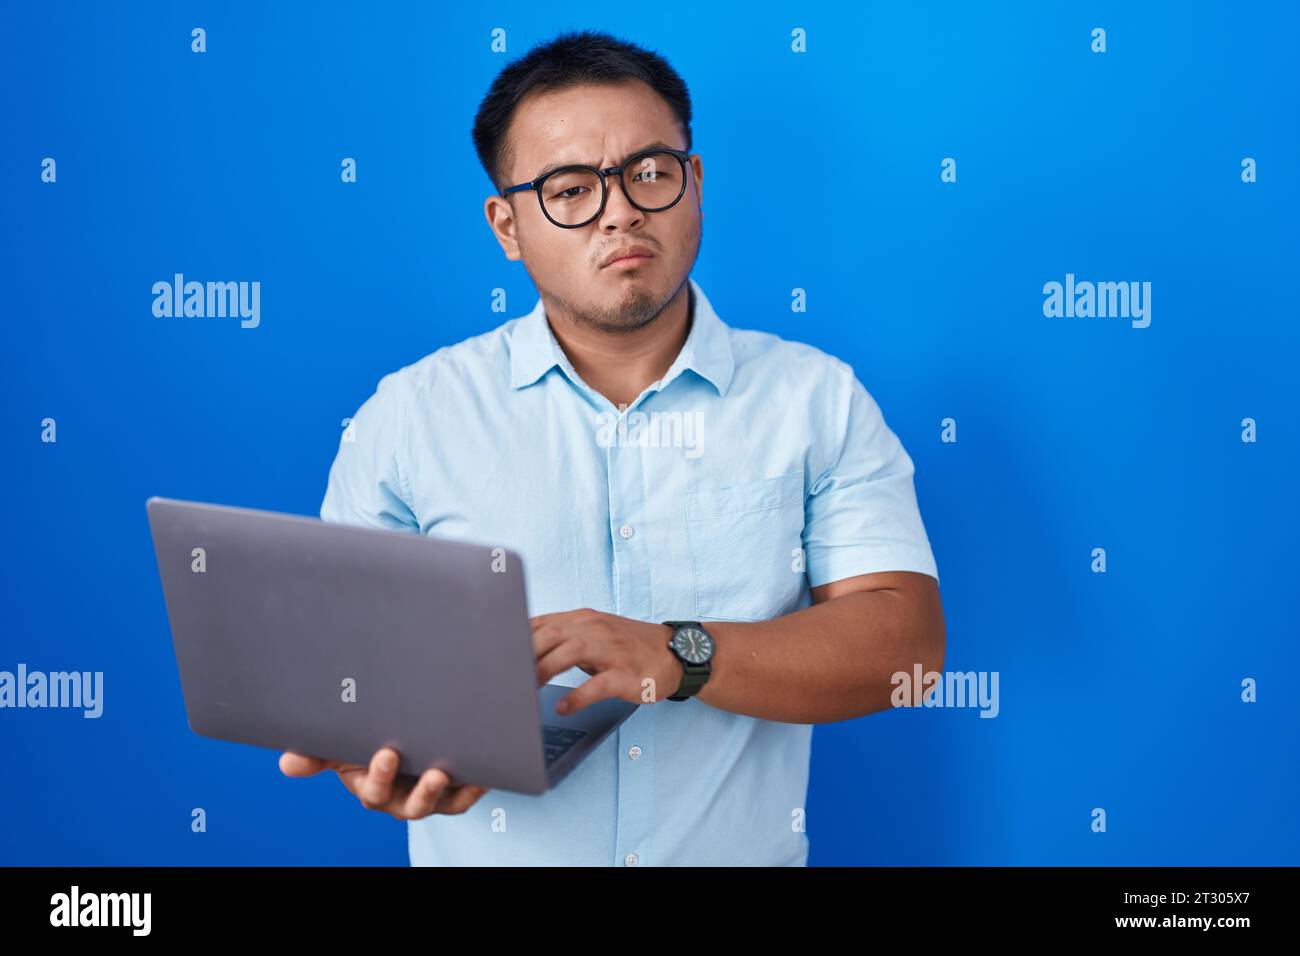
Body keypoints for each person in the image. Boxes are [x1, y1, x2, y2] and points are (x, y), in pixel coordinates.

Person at [280, 29, 944, 866]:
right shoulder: (411, 416)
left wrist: (678, 653)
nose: (621, 210)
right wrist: (375, 760)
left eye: (649, 173)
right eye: (569, 189)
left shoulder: (815, 399)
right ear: (508, 225)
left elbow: (904, 649)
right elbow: (351, 674)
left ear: (693, 183)